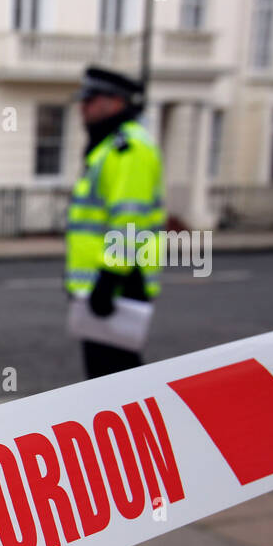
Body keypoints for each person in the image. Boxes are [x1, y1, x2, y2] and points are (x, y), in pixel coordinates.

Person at [65, 66, 166, 378]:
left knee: (116, 376)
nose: (83, 107)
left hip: (119, 282)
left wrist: (109, 277)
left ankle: (159, 426)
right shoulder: (110, 147)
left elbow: (129, 217)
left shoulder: (128, 149)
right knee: (111, 375)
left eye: (90, 99)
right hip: (103, 281)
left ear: (115, 102)